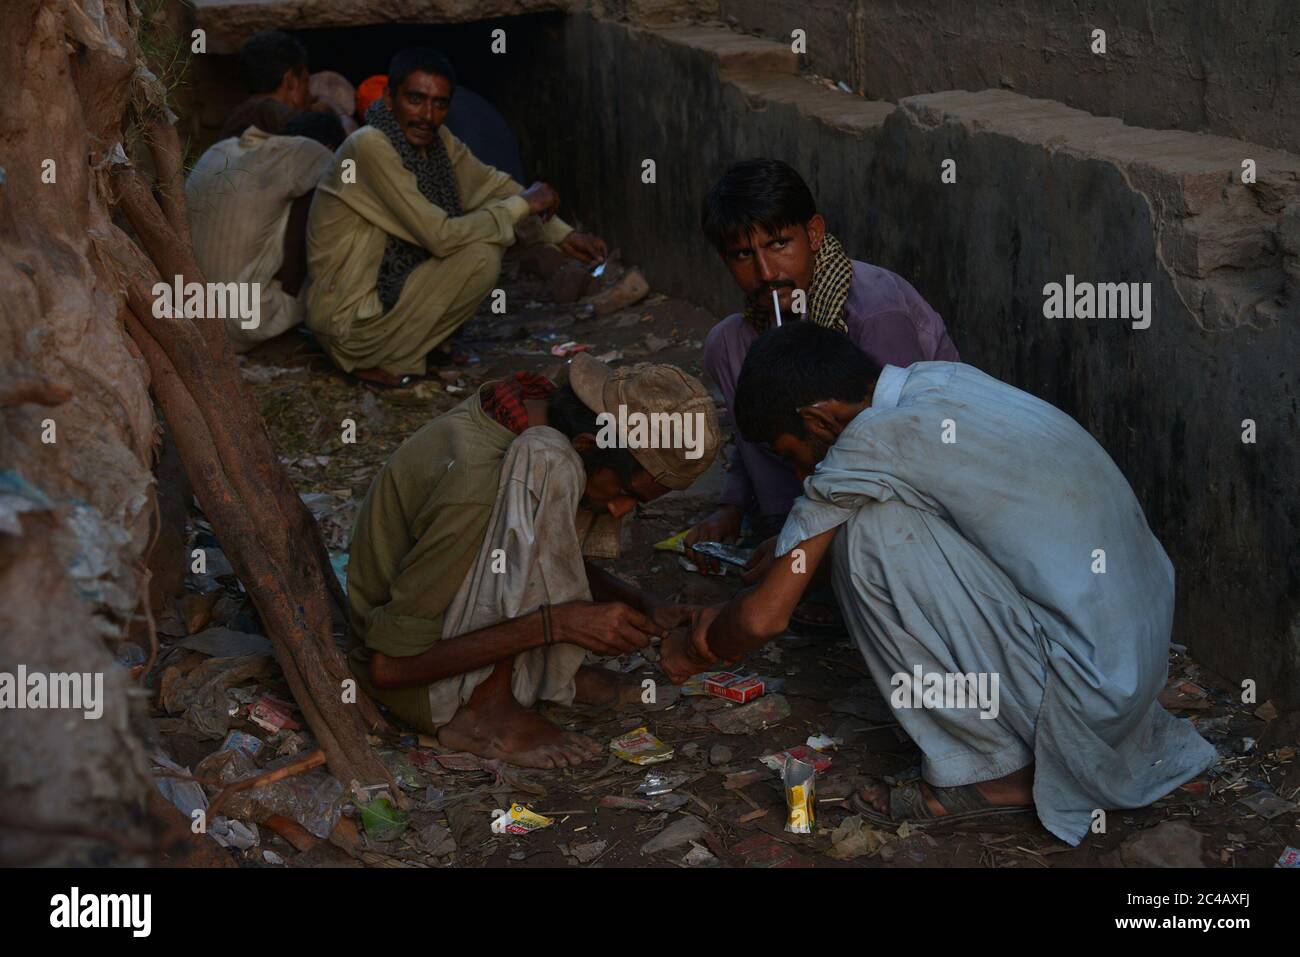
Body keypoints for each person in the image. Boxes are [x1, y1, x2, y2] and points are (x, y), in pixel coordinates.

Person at [661, 323, 1216, 845]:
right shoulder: (941, 383)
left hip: (1086, 696)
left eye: (793, 456)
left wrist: (697, 647)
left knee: (868, 531)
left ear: (821, 419)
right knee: (868, 518)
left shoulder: (871, 440)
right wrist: (797, 555)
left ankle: (996, 772)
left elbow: (763, 619)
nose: (803, 476)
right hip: (1127, 673)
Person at [347, 354, 720, 767]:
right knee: (551, 467)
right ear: (588, 445)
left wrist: (645, 605)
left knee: (560, 474)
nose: (619, 510)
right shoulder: (505, 475)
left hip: (450, 630)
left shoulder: (542, 413)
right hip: (418, 685)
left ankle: (537, 679)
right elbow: (389, 669)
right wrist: (558, 623)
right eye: (624, 493)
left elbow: (528, 552)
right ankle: (485, 708)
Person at [685, 159, 960, 584]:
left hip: (916, 482)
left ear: (813, 234)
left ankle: (820, 560)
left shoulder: (871, 312)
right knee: (731, 345)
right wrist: (731, 506)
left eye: (779, 244)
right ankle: (783, 531)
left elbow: (901, 444)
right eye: (743, 254)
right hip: (815, 488)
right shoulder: (756, 328)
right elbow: (759, 428)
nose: (765, 272)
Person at [304, 48, 607, 387]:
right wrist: (523, 204)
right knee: (480, 253)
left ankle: (413, 348)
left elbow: (491, 185)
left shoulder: (437, 143)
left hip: (383, 303)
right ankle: (381, 359)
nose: (427, 115)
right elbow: (440, 236)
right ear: (389, 98)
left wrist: (561, 234)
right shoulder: (369, 146)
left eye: (440, 104)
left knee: (481, 236)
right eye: (416, 99)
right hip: (346, 324)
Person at [185, 112, 346, 351]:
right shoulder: (310, 154)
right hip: (245, 322)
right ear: (330, 148)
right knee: (327, 199)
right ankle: (288, 309)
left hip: (189, 312)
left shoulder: (218, 149)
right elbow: (349, 183)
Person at [219, 30, 312, 141]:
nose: (310, 95)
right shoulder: (274, 113)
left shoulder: (237, 117)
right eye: (305, 81)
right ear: (290, 79)